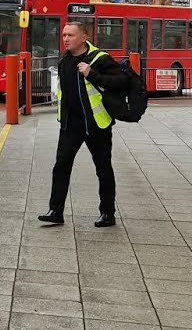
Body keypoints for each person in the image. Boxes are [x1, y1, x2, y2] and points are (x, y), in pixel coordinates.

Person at [39, 21, 130, 227]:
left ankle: (108, 213)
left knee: (103, 168)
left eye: (70, 35)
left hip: (97, 125)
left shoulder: (100, 59)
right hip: (71, 125)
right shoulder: (64, 60)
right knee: (61, 165)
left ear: (84, 37)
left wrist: (92, 74)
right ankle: (56, 210)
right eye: (64, 35)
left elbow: (121, 82)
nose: (66, 39)